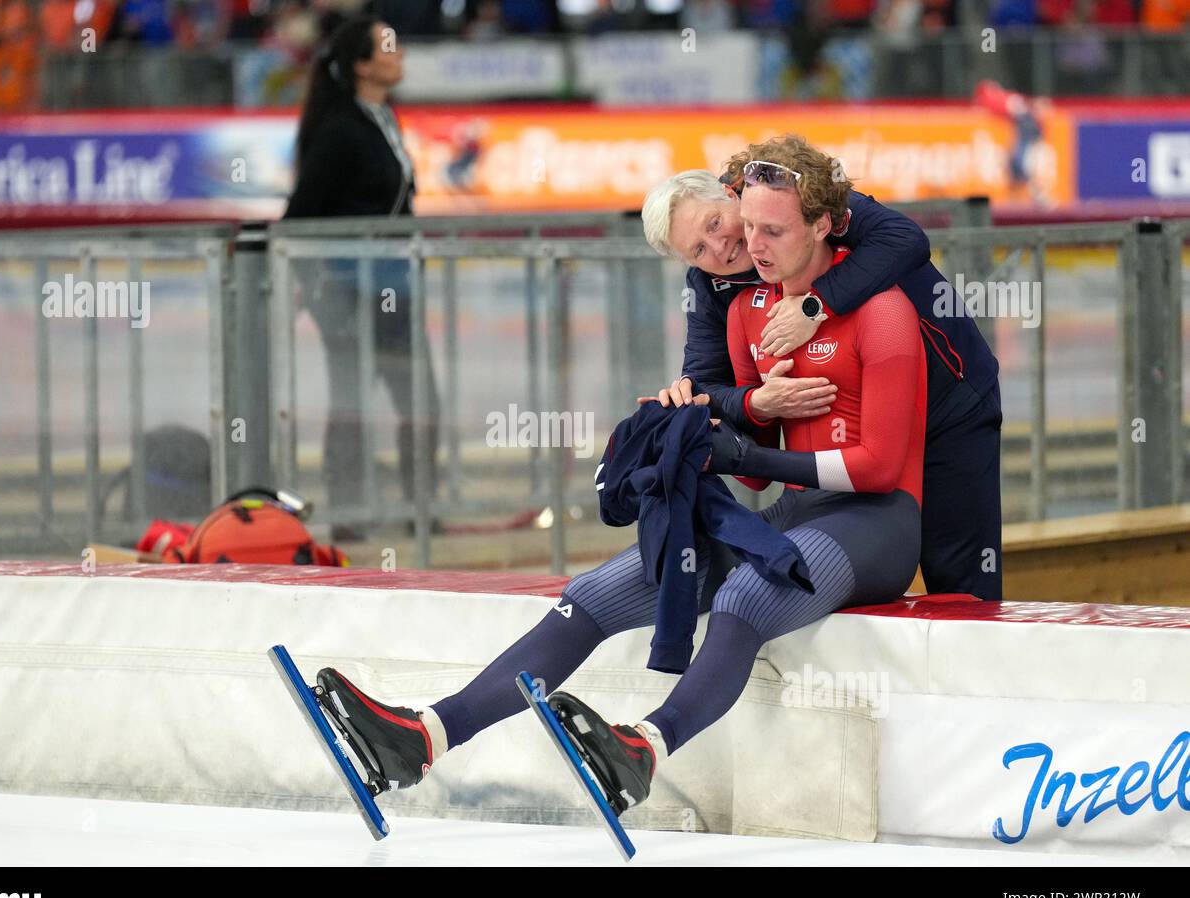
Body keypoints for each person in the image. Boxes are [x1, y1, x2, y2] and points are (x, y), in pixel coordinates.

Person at [308, 136, 927, 815]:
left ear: (821, 225)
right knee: (604, 588)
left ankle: (643, 750)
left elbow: (877, 469)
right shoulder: (747, 311)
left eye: (768, 230)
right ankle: (424, 736)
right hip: (800, 512)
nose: (749, 247)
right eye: (744, 227)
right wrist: (702, 428)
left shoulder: (882, 310)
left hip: (878, 522)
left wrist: (750, 456)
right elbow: (750, 473)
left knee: (746, 596)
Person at [639, 143, 1002, 600]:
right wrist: (751, 402)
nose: (722, 247)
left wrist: (815, 305)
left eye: (715, 225)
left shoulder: (792, 192)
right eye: (698, 250)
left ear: (732, 197)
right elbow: (707, 384)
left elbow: (906, 239)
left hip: (949, 402)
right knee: (840, 576)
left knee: (959, 579)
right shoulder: (711, 288)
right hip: (849, 440)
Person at [282, 14, 439, 539]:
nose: (400, 56)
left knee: (419, 397)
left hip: (395, 286)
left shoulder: (382, 117)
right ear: (361, 64)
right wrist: (314, 284)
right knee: (351, 400)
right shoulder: (339, 130)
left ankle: (420, 507)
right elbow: (300, 217)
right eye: (389, 48)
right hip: (349, 290)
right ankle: (348, 514)